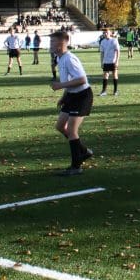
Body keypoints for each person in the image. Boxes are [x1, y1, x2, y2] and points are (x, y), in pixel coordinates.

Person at [49, 30, 94, 176]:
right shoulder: (60, 58)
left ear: (62, 43)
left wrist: (60, 86)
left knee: (72, 131)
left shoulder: (69, 58)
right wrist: (64, 96)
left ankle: (76, 166)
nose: (50, 44)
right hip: (71, 96)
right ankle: (83, 151)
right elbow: (68, 80)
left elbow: (81, 80)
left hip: (82, 96)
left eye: (53, 42)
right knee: (60, 126)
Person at [98, 27, 120, 97]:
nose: (106, 34)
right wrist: (102, 62)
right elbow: (102, 53)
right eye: (104, 33)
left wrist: (117, 61)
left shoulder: (114, 40)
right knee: (105, 75)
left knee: (115, 75)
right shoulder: (102, 42)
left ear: (110, 33)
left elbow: (118, 51)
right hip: (106, 61)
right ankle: (104, 91)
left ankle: (115, 91)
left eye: (107, 32)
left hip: (113, 61)